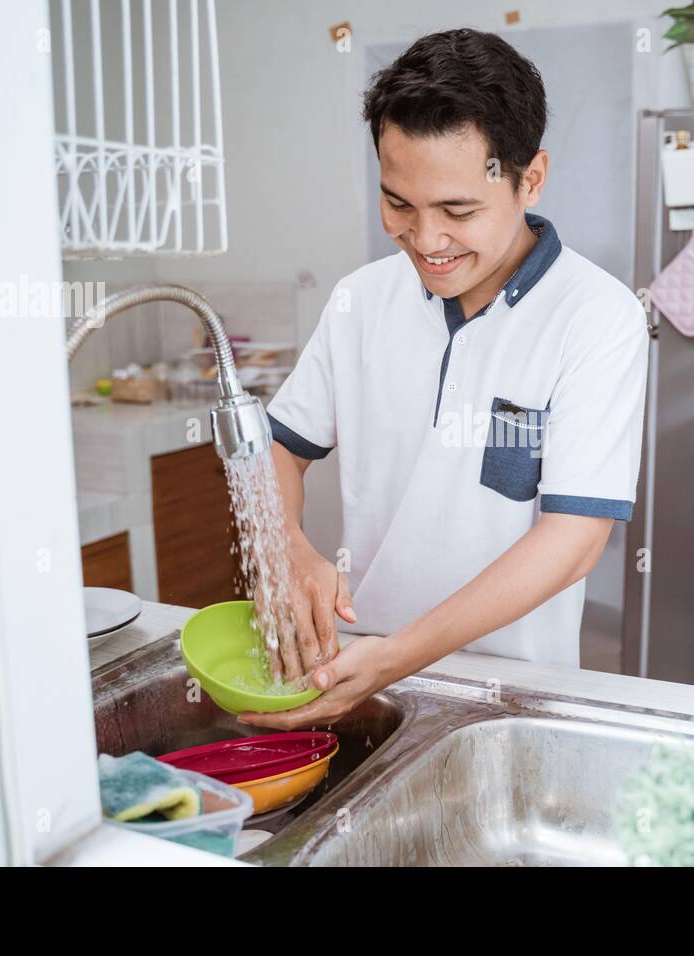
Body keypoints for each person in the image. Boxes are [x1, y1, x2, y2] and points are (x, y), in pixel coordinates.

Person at [241, 28, 648, 730]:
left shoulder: (598, 316)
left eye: (458, 211)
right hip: (366, 676)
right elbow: (279, 448)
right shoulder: (361, 301)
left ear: (530, 178)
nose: (426, 241)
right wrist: (289, 548)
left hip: (513, 698)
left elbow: (574, 537)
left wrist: (400, 655)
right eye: (399, 204)